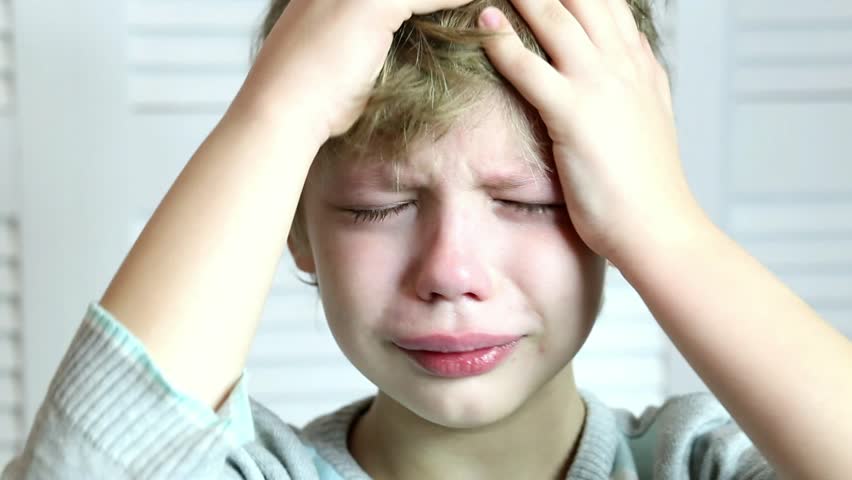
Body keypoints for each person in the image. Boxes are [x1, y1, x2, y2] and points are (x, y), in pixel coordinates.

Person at [3, 0, 851, 478]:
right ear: (292, 229)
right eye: (376, 208)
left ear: (613, 219)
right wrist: (278, 113)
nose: (450, 273)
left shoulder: (704, 467)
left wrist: (670, 231)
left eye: (525, 201)